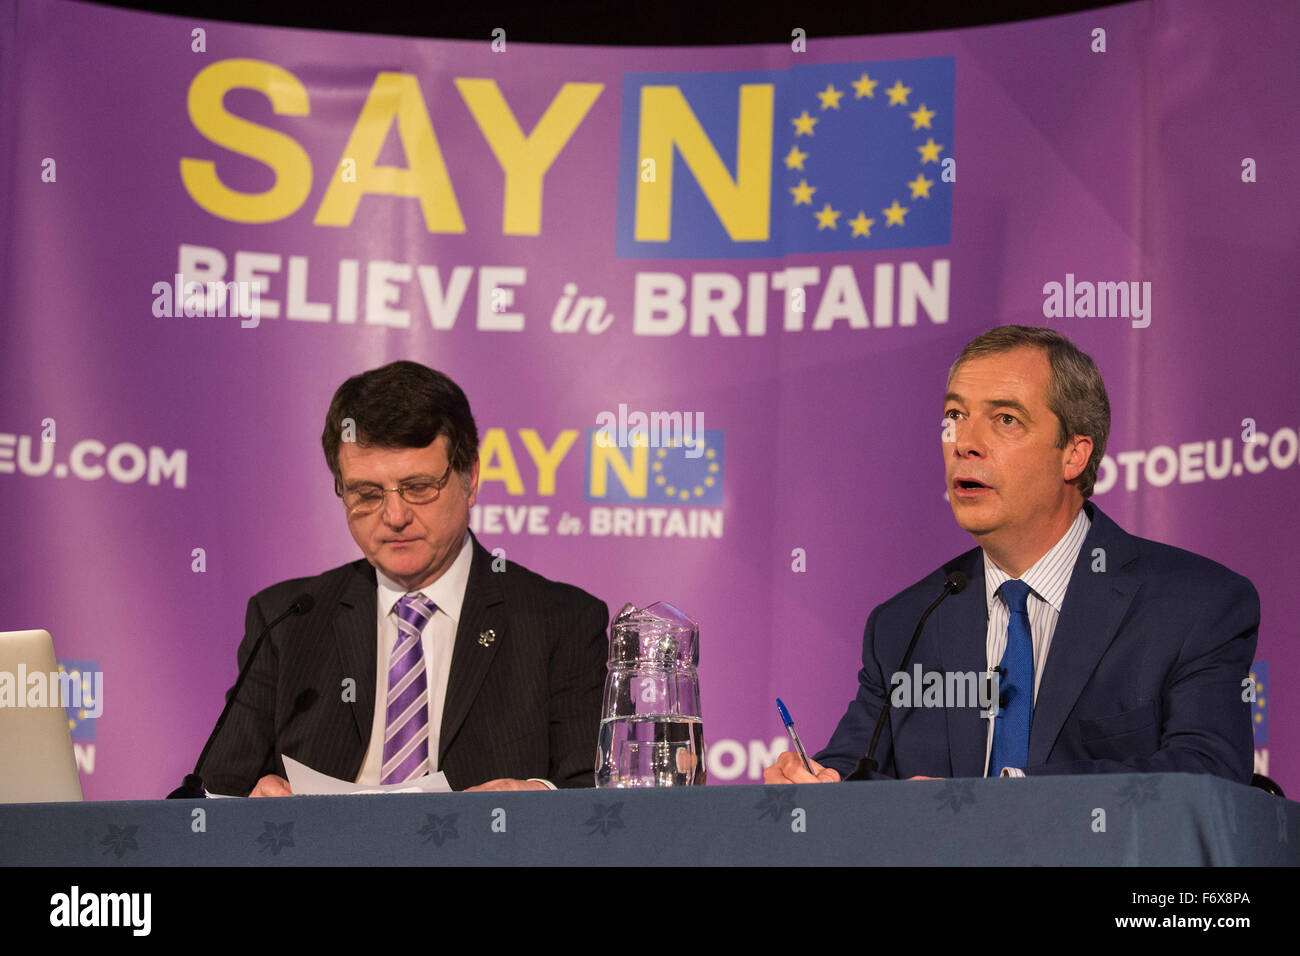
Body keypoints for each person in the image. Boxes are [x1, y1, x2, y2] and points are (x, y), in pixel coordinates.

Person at [766, 325, 1258, 785]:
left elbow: (1204, 773)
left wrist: (1003, 802)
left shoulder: (1193, 605)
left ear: (1074, 454)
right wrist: (812, 786)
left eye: (1005, 419)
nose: (964, 443)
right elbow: (854, 778)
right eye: (955, 416)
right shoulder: (904, 626)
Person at [200, 361, 609, 795]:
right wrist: (250, 801)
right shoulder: (287, 621)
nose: (394, 517)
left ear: (470, 479)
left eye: (417, 487)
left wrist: (542, 798)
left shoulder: (560, 622)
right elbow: (214, 791)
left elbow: (593, 790)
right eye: (367, 494)